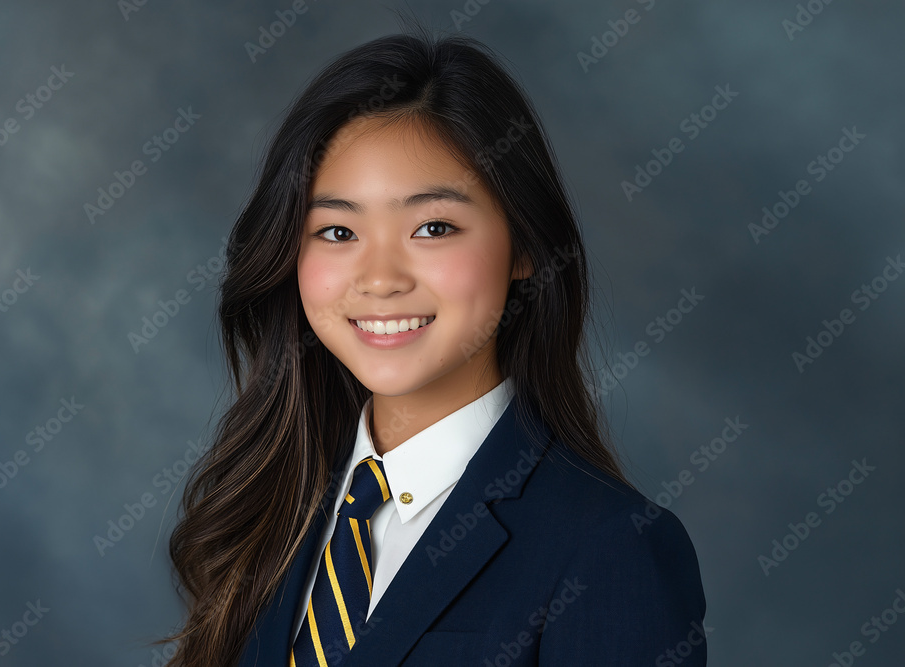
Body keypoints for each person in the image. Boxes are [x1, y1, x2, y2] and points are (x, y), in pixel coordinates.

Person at [164, 23, 707, 667]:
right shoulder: (265, 510)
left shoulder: (610, 549)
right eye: (338, 232)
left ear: (524, 250)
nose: (381, 279)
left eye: (433, 226)